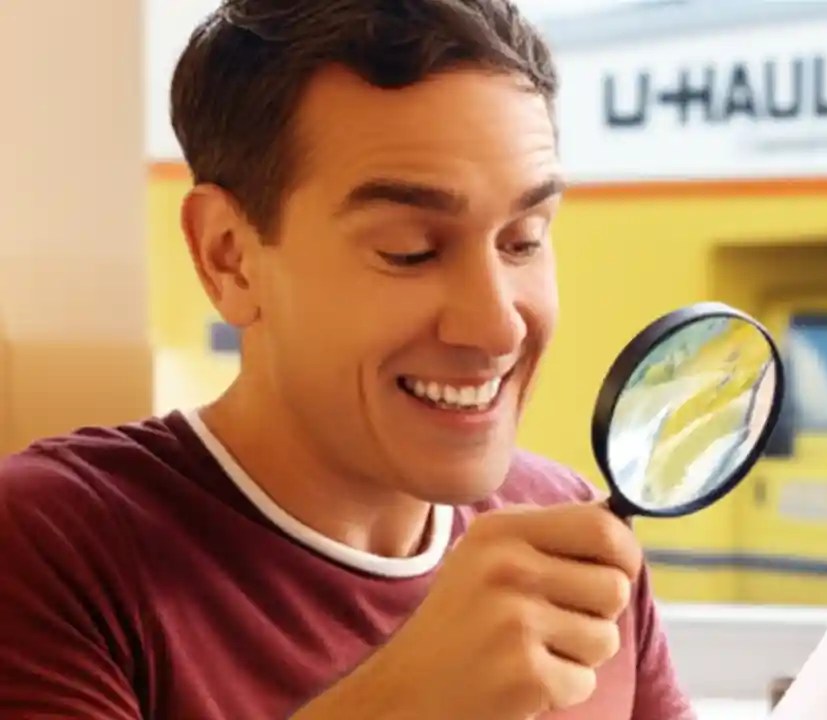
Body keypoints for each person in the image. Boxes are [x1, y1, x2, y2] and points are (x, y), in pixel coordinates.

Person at [0, 1, 696, 718]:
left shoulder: (572, 539)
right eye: (410, 251)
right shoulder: (48, 545)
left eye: (523, 239)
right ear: (229, 258)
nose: (495, 326)